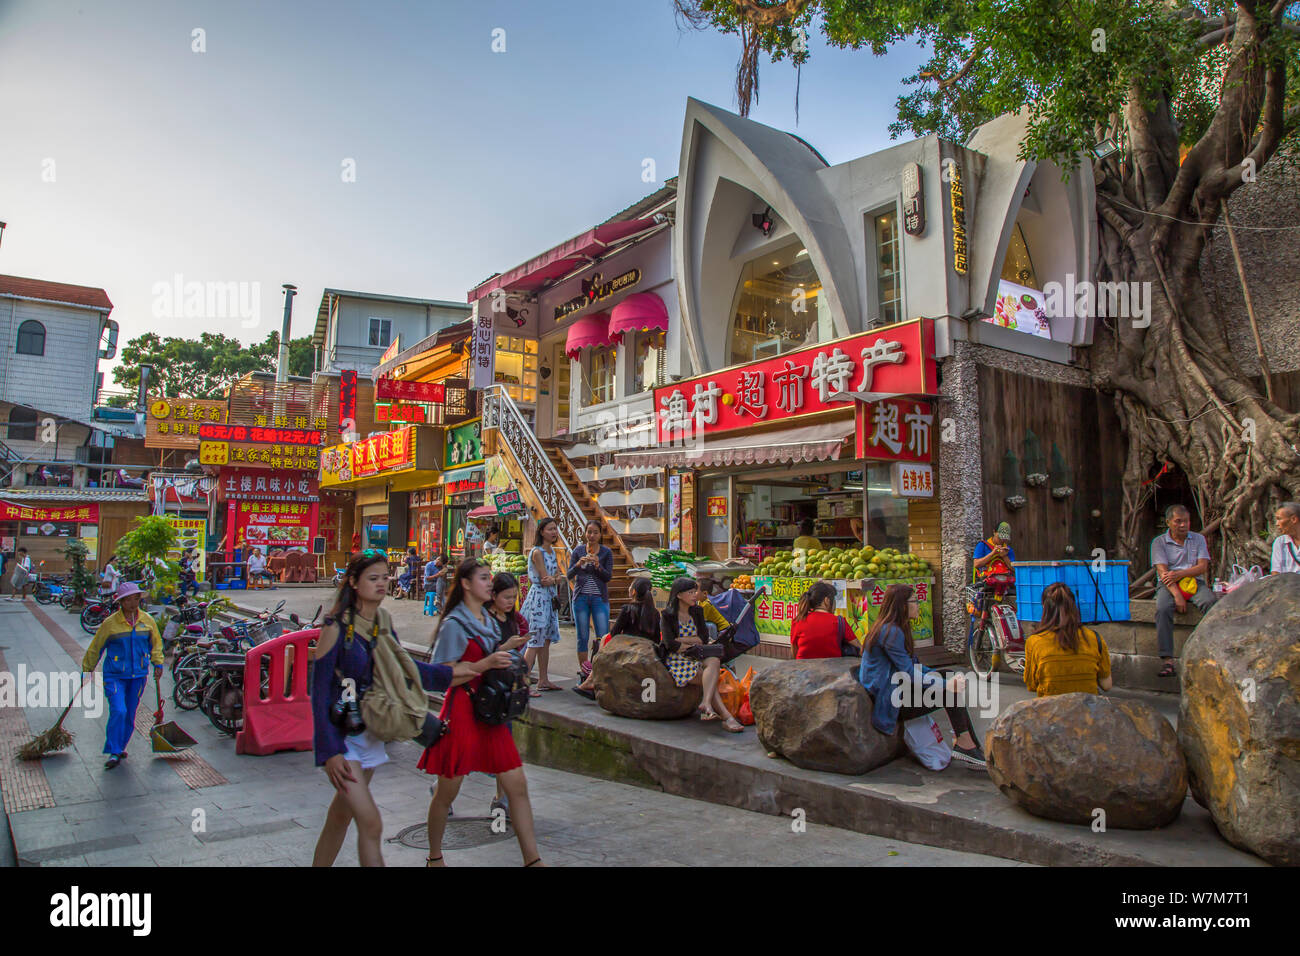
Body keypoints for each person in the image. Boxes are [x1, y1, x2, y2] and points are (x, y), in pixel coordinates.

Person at [310, 549, 500, 867]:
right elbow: (318, 692)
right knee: (370, 822)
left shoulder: (382, 622)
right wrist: (329, 752)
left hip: (373, 729)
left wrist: (462, 671)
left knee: (340, 816)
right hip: (344, 738)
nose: (382, 584)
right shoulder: (337, 627)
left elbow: (406, 669)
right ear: (354, 582)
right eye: (373, 578)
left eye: (385, 577)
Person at [421, 557, 543, 867]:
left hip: (490, 711)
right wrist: (486, 663)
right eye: (484, 578)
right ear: (465, 584)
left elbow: (489, 659)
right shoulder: (454, 624)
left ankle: (533, 859)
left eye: (490, 578)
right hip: (462, 708)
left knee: (516, 783)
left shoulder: (489, 621)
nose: (490, 582)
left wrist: (505, 652)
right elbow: (443, 674)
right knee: (447, 790)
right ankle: (435, 856)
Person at [858, 583, 986, 768]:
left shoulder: (896, 629)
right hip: (889, 698)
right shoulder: (890, 632)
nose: (919, 604)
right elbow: (909, 673)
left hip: (898, 689)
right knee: (947, 692)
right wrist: (944, 685)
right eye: (915, 601)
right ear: (902, 606)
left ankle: (969, 743)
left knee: (948, 677)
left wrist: (945, 680)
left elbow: (915, 666)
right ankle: (966, 745)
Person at [80, 582, 164, 770]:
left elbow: (156, 644)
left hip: (138, 675)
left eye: (136, 599)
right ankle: (114, 750)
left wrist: (158, 662)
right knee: (119, 710)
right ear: (121, 602)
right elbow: (96, 648)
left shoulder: (147, 621)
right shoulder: (110, 624)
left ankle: (120, 746)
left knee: (130, 713)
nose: (133, 603)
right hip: (115, 675)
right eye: (128, 600)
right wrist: (87, 669)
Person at [660, 576, 743, 733]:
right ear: (678, 595)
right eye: (691, 592)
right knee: (707, 678)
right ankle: (727, 717)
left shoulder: (697, 611)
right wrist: (691, 641)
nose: (695, 595)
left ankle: (706, 702)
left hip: (697, 654)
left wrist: (683, 641)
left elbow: (703, 638)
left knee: (714, 661)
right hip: (677, 659)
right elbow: (670, 644)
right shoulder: (667, 615)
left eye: (695, 591)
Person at [1151, 504, 1218, 677]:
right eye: (1178, 521)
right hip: (1168, 585)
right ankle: (1167, 660)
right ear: (1168, 522)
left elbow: (1202, 567)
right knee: (1163, 608)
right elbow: (1163, 573)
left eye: (1186, 521)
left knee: (1210, 603)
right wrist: (1178, 596)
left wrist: (1180, 574)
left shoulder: (1198, 539)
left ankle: (1212, 652)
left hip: (1194, 581)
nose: (1183, 525)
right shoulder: (1159, 542)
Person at [484, 572, 529, 817]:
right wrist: (506, 647)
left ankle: (501, 799)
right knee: (471, 753)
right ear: (493, 595)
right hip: (485, 692)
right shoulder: (483, 619)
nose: (511, 601)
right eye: (506, 597)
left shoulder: (512, 617)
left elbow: (523, 627)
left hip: (505, 693)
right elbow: (481, 653)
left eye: (514, 597)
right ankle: (442, 790)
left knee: (504, 749)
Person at [574, 577, 659, 699]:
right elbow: (656, 639)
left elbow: (614, 633)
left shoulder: (628, 609)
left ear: (633, 591)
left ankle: (591, 679)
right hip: (646, 651)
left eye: (630, 586)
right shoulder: (655, 613)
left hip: (628, 649)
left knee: (604, 639)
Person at [1023, 583, 1113, 696]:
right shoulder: (1094, 638)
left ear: (1044, 607)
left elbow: (1031, 685)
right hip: (1087, 711)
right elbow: (1106, 685)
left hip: (1050, 710)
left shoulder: (1035, 641)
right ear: (1073, 607)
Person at [519, 517, 562, 694]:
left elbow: (557, 576)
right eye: (550, 529)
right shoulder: (537, 552)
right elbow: (546, 579)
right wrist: (554, 579)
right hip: (539, 598)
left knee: (545, 640)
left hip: (549, 599)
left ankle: (543, 679)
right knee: (535, 640)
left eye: (555, 529)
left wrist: (554, 579)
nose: (554, 532)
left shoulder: (552, 551)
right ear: (542, 531)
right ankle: (524, 682)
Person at [567, 519, 613, 681]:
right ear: (584, 533)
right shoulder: (578, 551)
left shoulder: (606, 552)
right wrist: (579, 564)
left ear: (600, 535)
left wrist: (598, 565)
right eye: (589, 532)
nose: (591, 535)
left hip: (599, 598)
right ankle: (584, 672)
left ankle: (599, 671)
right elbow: (569, 575)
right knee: (582, 636)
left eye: (595, 532)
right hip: (580, 598)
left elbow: (607, 577)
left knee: (602, 635)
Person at [789, 581, 855, 659]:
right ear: (826, 601)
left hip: (803, 669)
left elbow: (794, 652)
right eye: (833, 600)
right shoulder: (839, 622)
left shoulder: (798, 620)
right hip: (833, 670)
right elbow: (859, 647)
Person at [1270, 502, 1300, 574]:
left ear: (1293, 519)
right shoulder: (1280, 542)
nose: (1277, 524)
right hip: (1286, 584)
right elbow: (1275, 572)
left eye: (1279, 519)